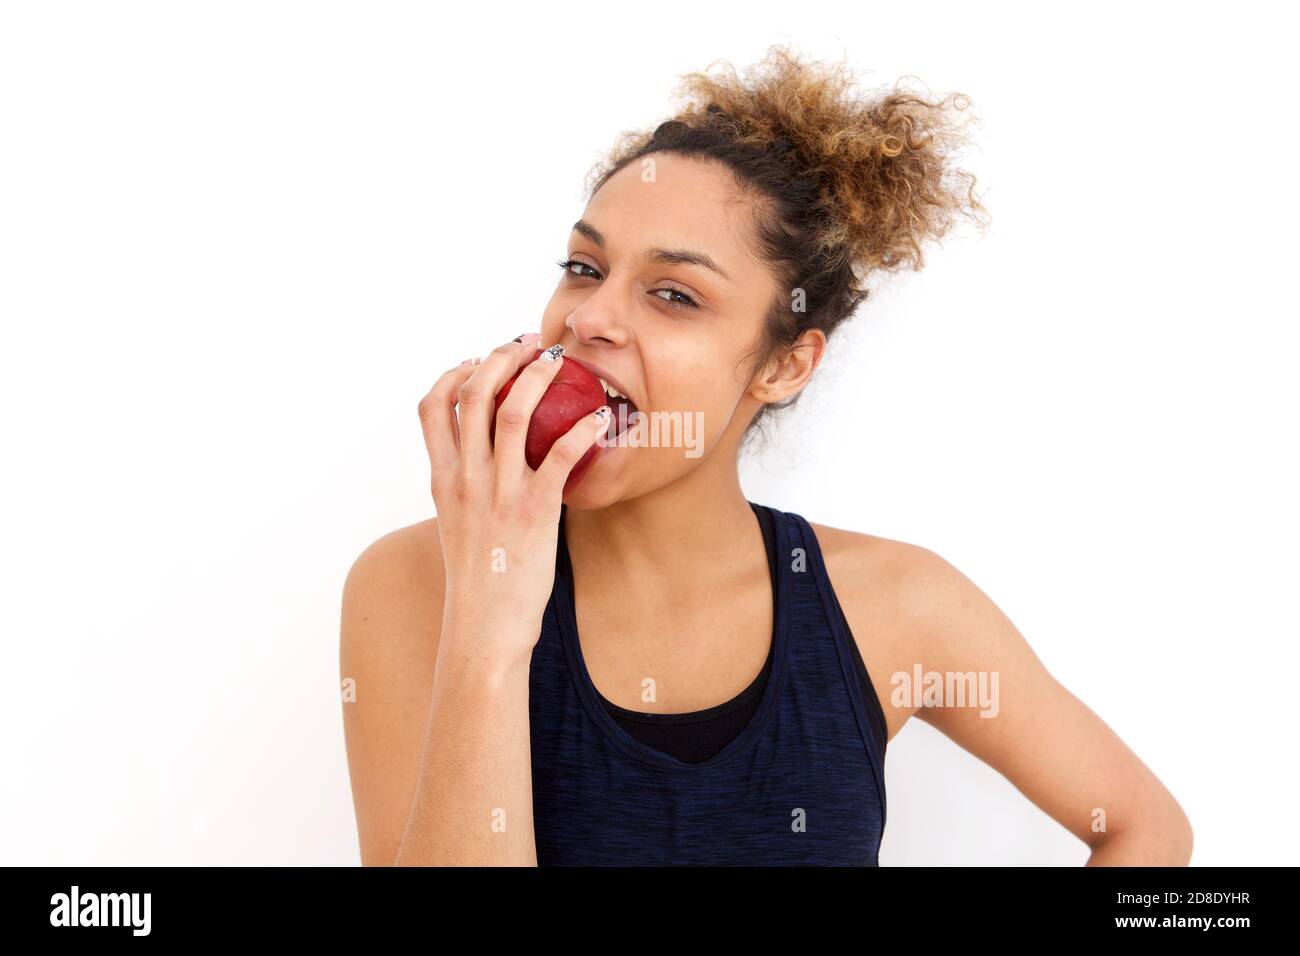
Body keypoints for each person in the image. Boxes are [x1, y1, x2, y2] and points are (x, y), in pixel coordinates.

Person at [340, 44, 1193, 866]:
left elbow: (1145, 827)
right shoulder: (417, 586)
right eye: (583, 265)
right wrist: (488, 628)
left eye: (674, 294)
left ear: (786, 365)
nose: (590, 317)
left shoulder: (897, 605)